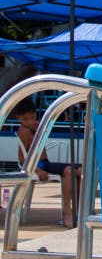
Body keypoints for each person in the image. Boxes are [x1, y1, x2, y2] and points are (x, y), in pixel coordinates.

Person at [14, 97, 82, 228]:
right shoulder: (24, 131)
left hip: (45, 162)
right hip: (38, 165)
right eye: (26, 119)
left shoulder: (35, 127)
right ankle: (66, 210)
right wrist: (38, 170)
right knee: (69, 171)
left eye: (32, 117)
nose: (30, 121)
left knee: (79, 172)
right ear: (18, 118)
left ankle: (77, 209)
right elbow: (22, 158)